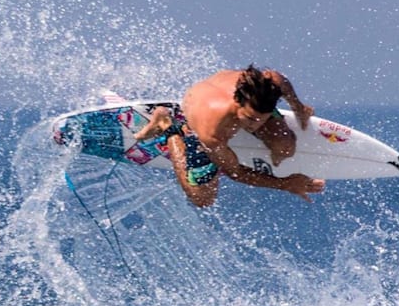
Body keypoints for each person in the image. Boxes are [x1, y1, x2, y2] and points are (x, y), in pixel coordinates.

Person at [133, 65, 325, 208]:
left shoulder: (267, 85)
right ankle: (166, 125)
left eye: (261, 119)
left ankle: (263, 120)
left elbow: (278, 79)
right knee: (202, 198)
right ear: (237, 103)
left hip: (235, 99)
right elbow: (236, 173)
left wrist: (298, 107)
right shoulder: (212, 131)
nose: (255, 125)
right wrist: (286, 184)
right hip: (195, 121)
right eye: (250, 119)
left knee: (285, 148)